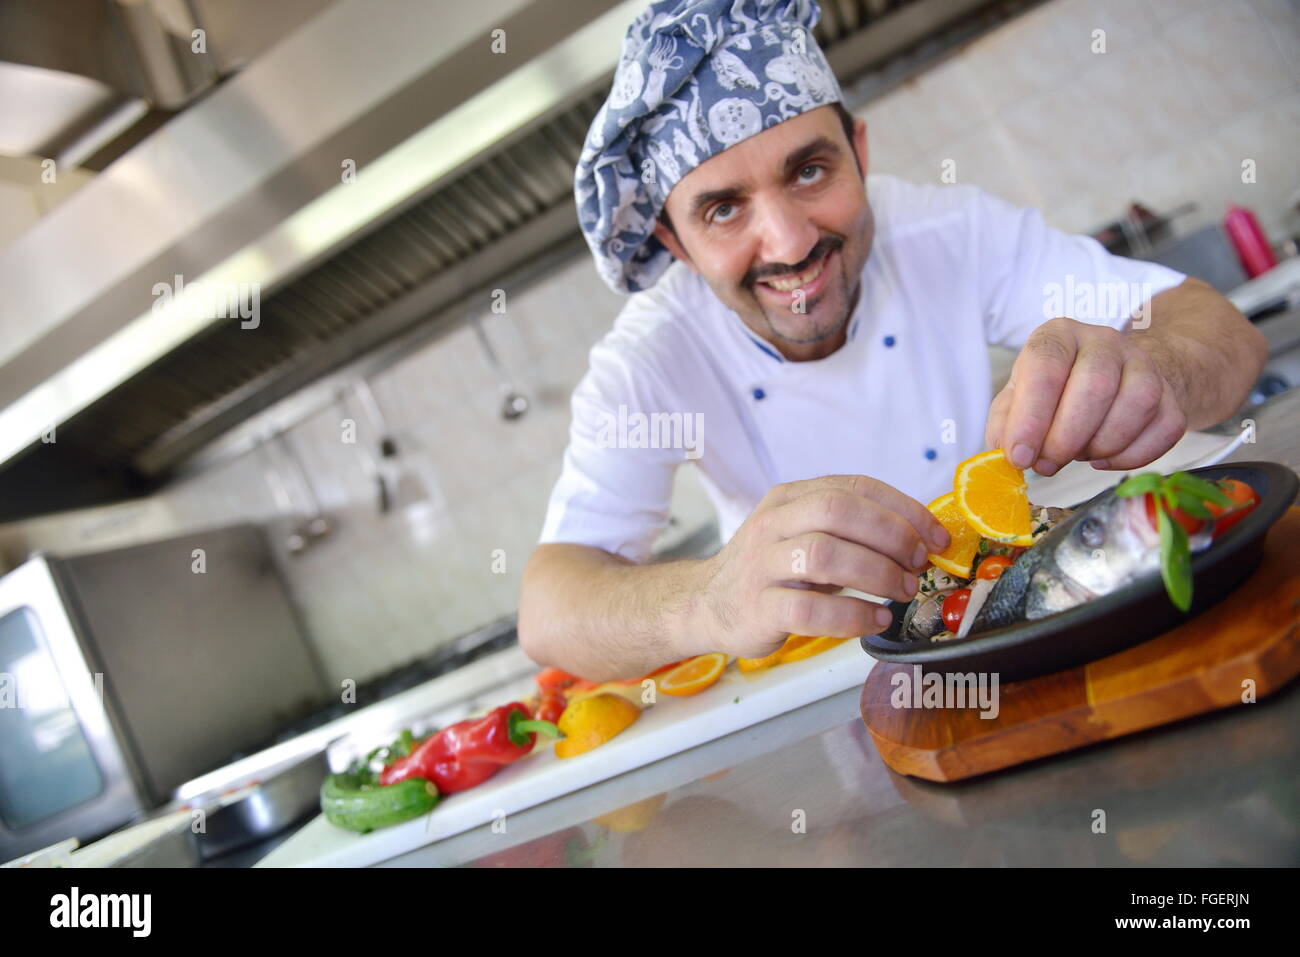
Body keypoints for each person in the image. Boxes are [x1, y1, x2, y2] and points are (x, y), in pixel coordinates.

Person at [518, 0, 1267, 680]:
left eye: (810, 170)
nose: (788, 242)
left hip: (1001, 627)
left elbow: (1215, 327)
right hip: (807, 683)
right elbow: (550, 609)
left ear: (861, 152)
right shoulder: (648, 360)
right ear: (673, 244)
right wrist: (707, 600)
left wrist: (1156, 369)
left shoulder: (950, 234)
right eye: (721, 210)